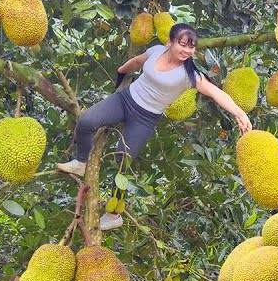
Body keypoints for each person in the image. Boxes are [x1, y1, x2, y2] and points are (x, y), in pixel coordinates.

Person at [55, 23, 252, 230]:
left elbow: (216, 92)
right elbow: (137, 62)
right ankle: (81, 161)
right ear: (169, 42)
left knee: (124, 160)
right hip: (125, 99)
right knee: (86, 121)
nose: (187, 50)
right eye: (183, 44)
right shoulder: (156, 50)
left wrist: (239, 112)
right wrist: (122, 71)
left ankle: (114, 215)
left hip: (145, 118)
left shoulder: (189, 75)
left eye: (191, 47)